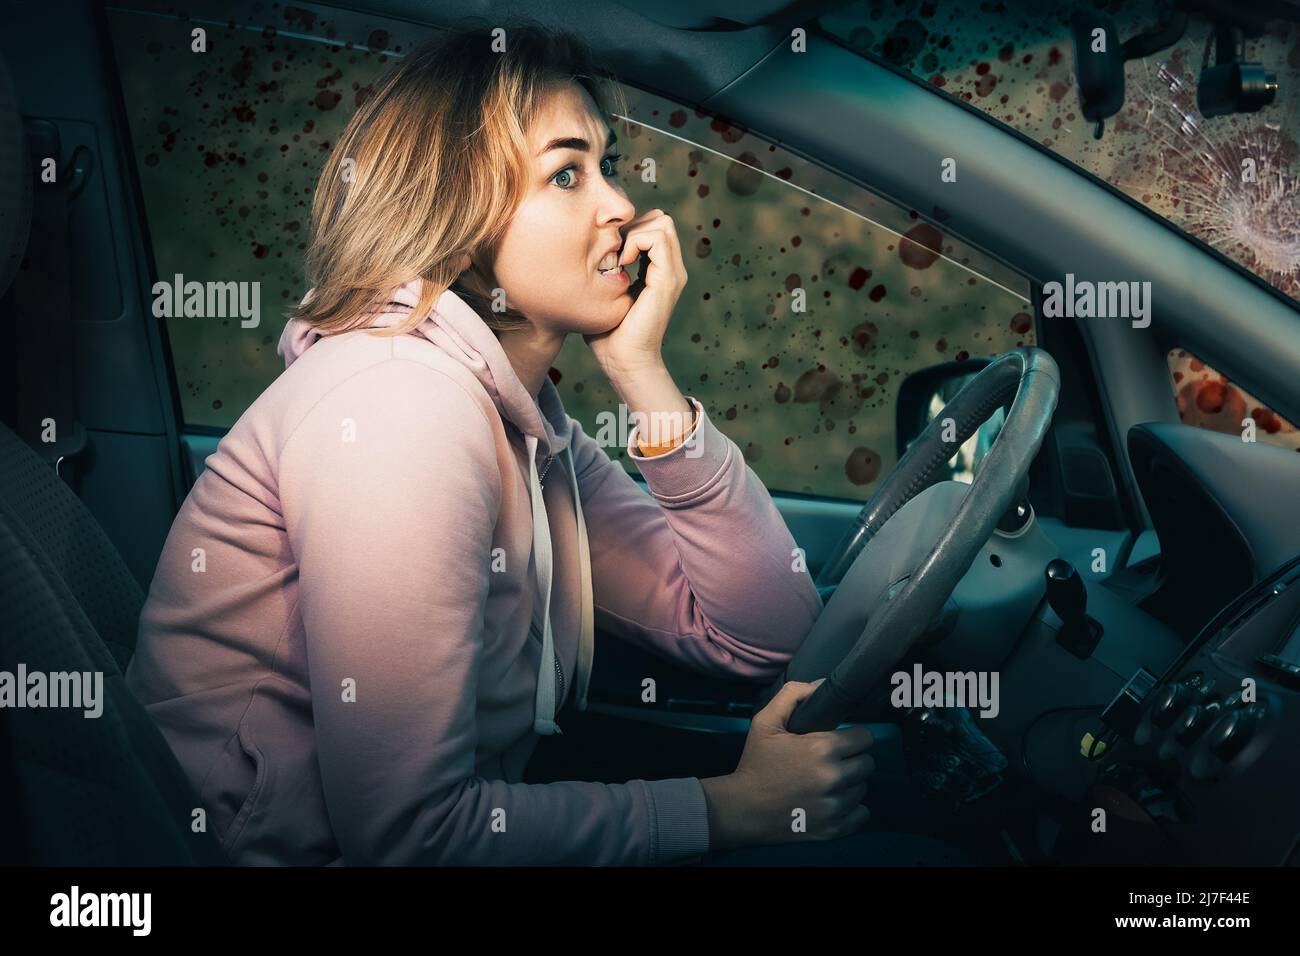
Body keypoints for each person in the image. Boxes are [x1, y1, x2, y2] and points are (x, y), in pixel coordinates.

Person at [125, 23, 885, 866]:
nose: (621, 207)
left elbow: (761, 640)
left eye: (605, 165)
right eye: (566, 174)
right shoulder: (398, 407)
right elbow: (409, 838)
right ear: (456, 209)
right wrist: (724, 811)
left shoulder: (525, 424)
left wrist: (643, 378)